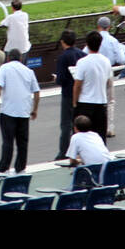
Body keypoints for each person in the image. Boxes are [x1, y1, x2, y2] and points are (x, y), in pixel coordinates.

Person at [0, 48, 41, 175]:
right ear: (21, 59)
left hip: (8, 111)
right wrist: (34, 109)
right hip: (24, 111)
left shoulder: (4, 68)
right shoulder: (29, 71)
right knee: (22, 142)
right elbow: (36, 92)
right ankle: (20, 168)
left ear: (8, 58)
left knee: (8, 141)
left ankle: (4, 168)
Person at [72, 31, 112, 142]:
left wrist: (75, 103)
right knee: (100, 137)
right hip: (101, 103)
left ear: (87, 44)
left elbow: (77, 85)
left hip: (85, 103)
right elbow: (108, 82)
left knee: (83, 137)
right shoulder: (106, 61)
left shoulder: (82, 62)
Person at [53, 29, 85, 159]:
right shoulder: (82, 54)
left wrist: (56, 79)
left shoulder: (63, 57)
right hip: (82, 93)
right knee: (79, 123)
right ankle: (79, 151)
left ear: (62, 42)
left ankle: (64, 152)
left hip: (68, 94)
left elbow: (60, 79)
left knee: (66, 124)